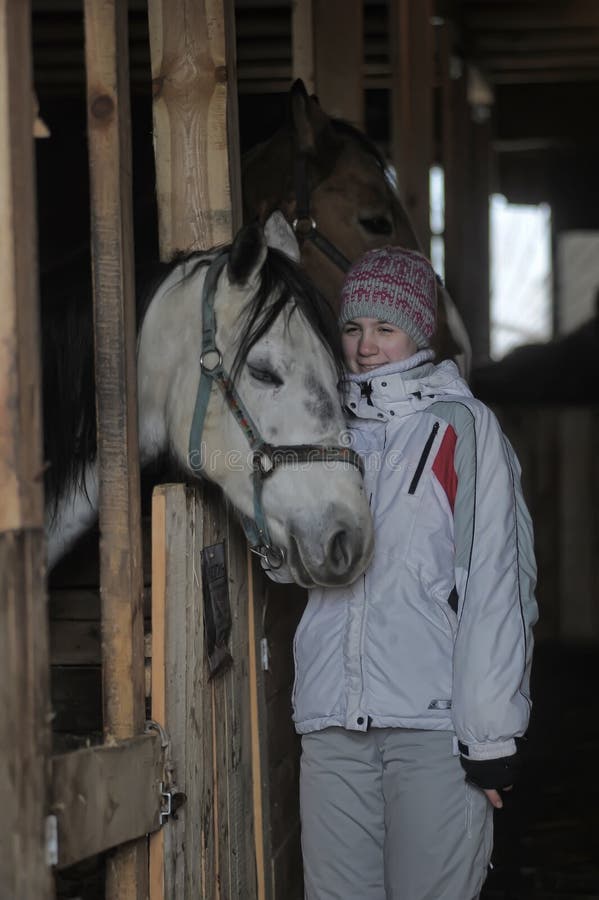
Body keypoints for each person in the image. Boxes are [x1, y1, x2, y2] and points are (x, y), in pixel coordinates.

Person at [265, 246, 538, 900]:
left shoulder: (461, 429)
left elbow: (495, 587)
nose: (365, 347)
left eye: (385, 328)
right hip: (332, 720)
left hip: (432, 726)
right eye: (353, 328)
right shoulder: (322, 428)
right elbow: (288, 564)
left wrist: (489, 738)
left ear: (419, 332)